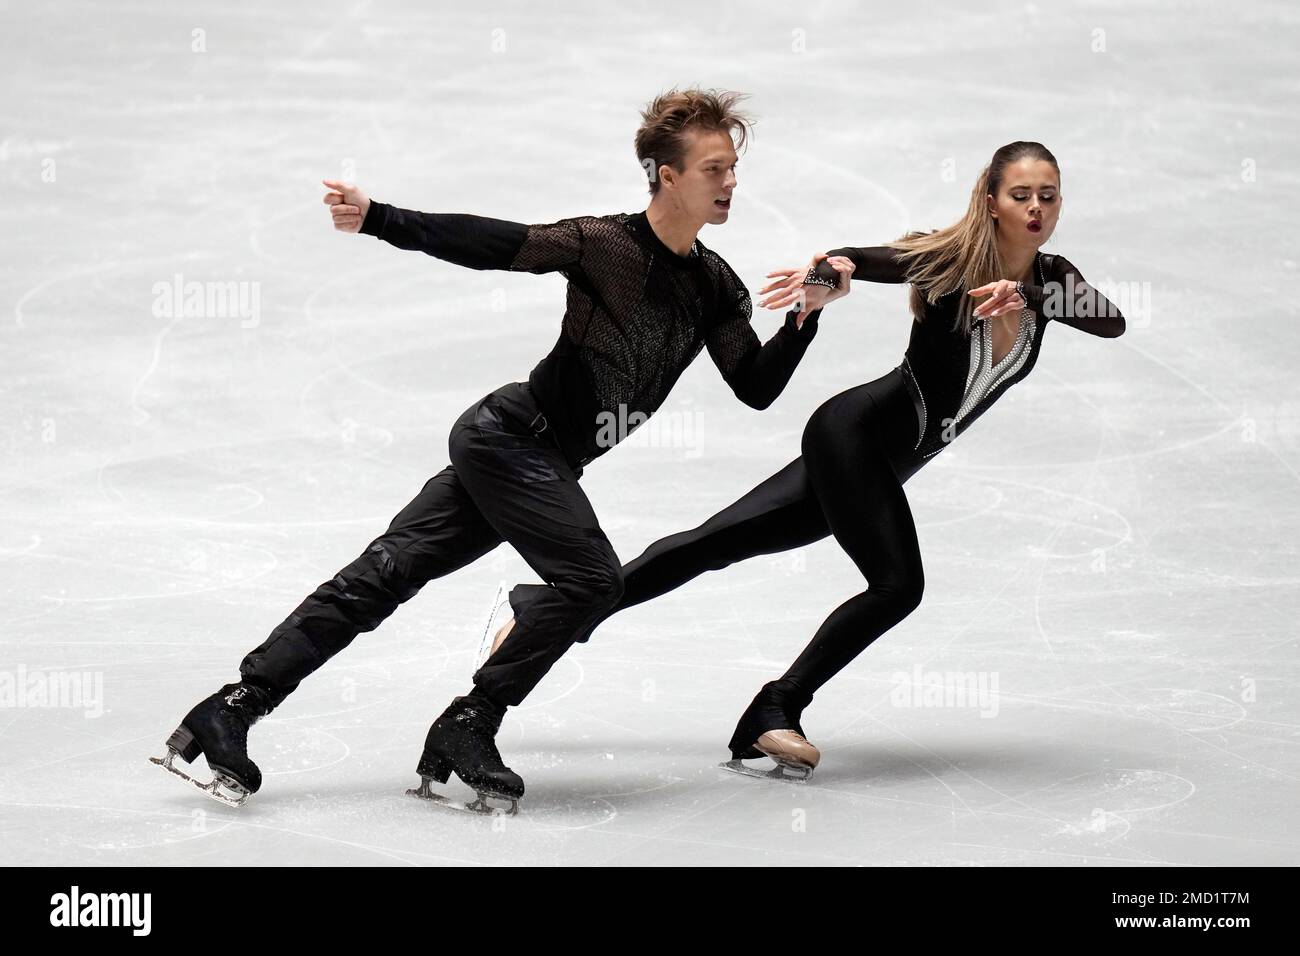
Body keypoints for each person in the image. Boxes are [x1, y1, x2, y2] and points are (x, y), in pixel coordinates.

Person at [149, 88, 855, 810]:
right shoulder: (602, 243)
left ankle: (232, 706)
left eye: (733, 168)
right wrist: (380, 219)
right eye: (714, 169)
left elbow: (756, 386)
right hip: (509, 439)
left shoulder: (713, 284)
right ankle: (469, 720)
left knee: (385, 573)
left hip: (539, 460)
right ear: (666, 174)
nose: (731, 182)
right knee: (593, 581)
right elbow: (495, 244)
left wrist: (805, 317)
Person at [488, 140, 1126, 781]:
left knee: (711, 544)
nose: (1036, 208)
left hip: (884, 457)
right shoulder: (947, 263)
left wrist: (1032, 298)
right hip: (853, 436)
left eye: (1048, 195)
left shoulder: (1052, 280)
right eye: (1021, 195)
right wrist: (826, 279)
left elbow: (1111, 321)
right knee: (898, 587)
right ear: (991, 202)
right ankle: (777, 706)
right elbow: (855, 259)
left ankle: (543, 612)